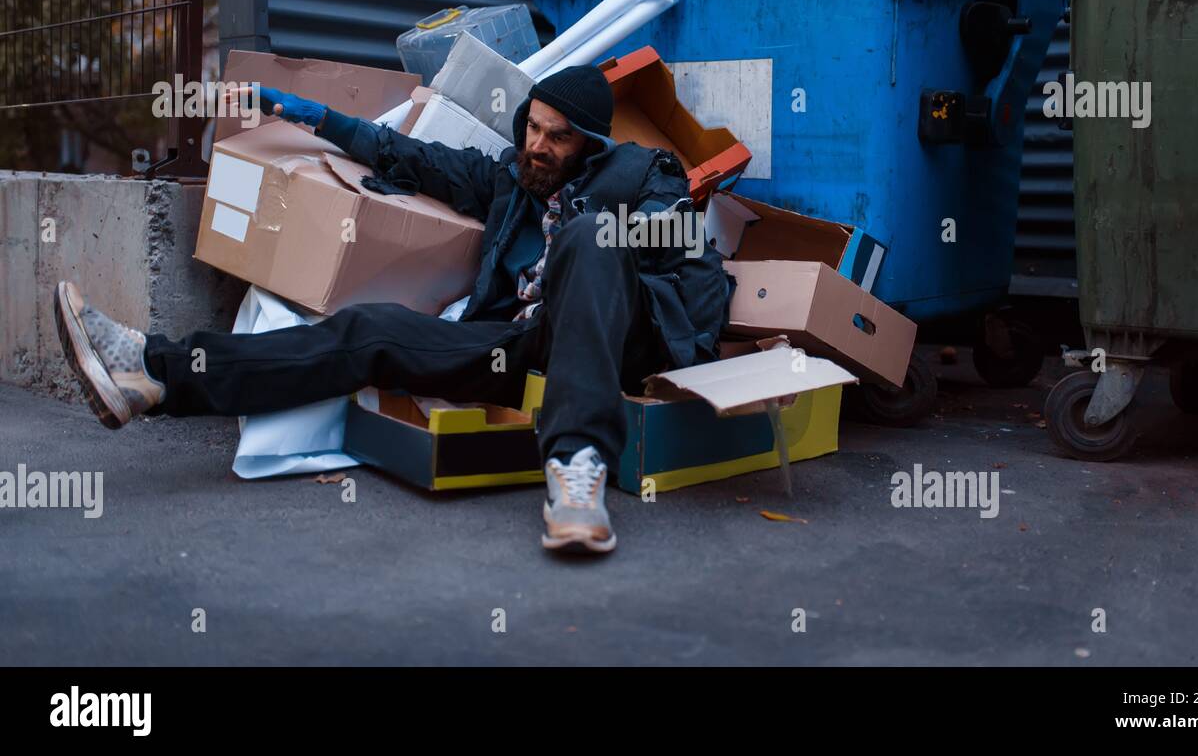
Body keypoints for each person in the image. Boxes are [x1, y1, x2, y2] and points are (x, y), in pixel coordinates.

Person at [54, 65, 732, 556]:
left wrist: (611, 236)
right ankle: (153, 372)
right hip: (527, 342)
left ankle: (577, 474)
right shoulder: (511, 178)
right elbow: (413, 158)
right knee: (369, 329)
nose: (536, 144)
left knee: (589, 238)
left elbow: (691, 255)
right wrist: (318, 118)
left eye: (557, 137)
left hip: (624, 336)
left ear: (589, 143)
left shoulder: (643, 175)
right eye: (532, 126)